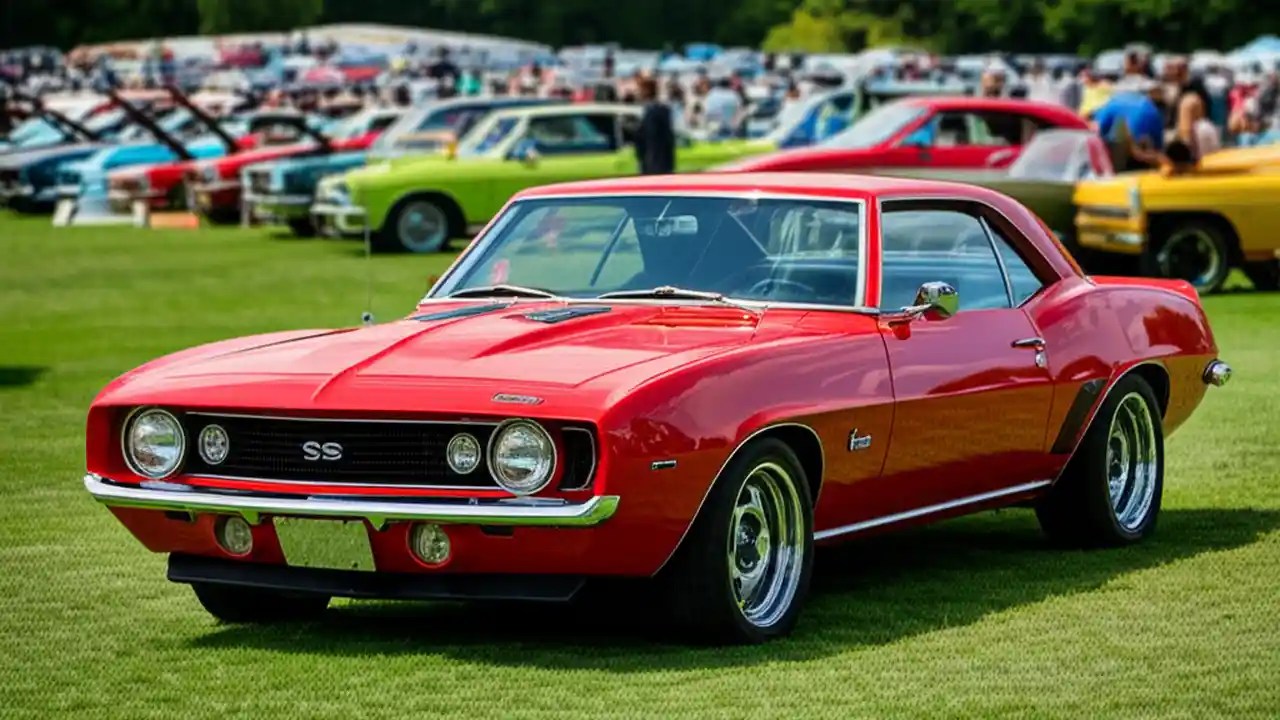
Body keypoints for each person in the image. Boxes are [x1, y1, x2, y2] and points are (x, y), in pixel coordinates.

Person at [1093, 76, 1165, 168]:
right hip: (1142, 149)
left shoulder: (1112, 102)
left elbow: (1097, 130)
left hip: (1122, 148)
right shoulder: (1152, 108)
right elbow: (1158, 144)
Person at [635, 76, 674, 175]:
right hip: (657, 162)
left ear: (647, 91)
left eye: (640, 90)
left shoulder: (653, 111)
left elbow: (651, 137)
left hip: (654, 162)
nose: (638, 93)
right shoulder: (661, 110)